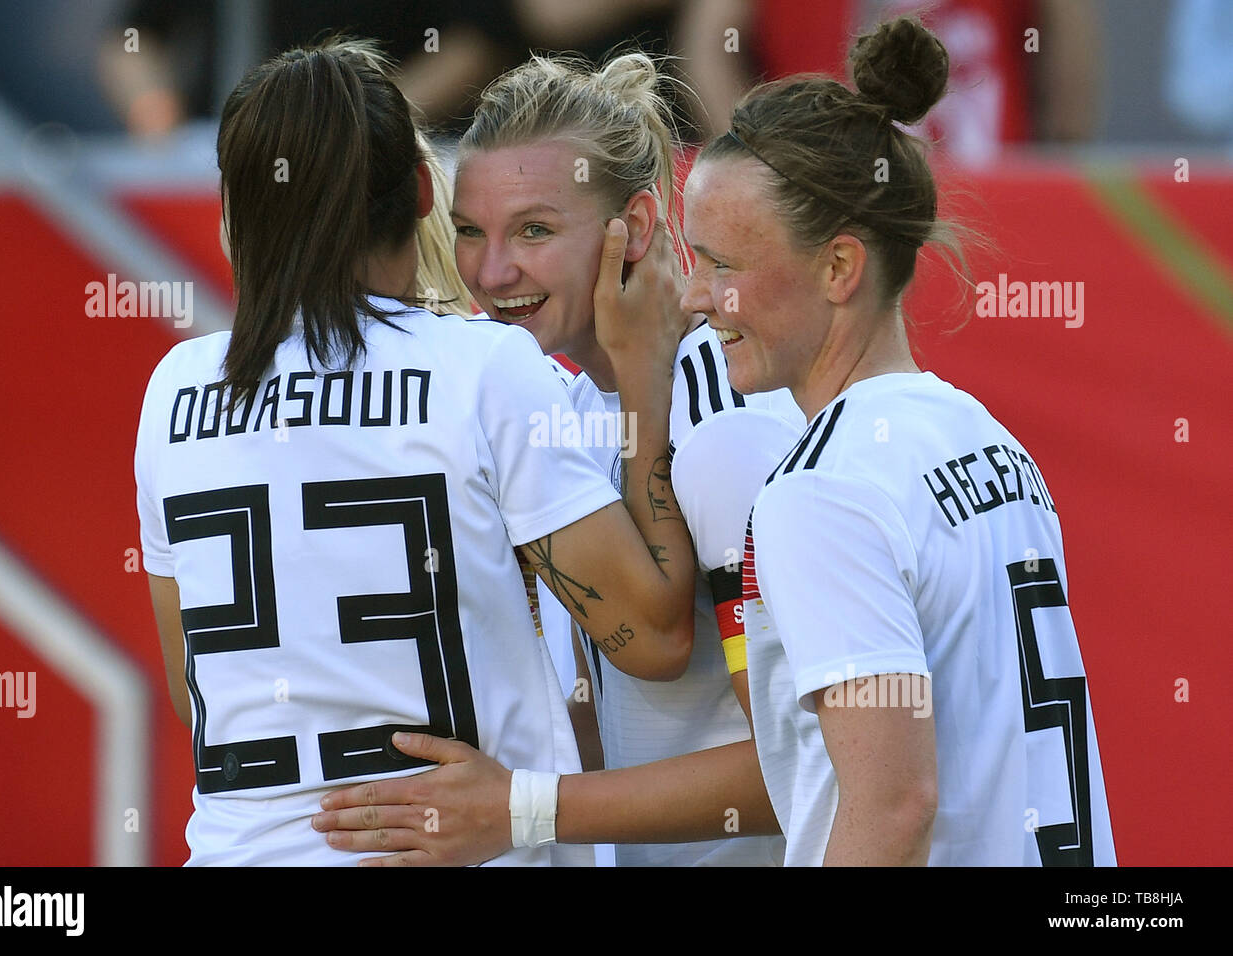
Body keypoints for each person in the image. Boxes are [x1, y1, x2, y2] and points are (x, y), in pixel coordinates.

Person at [135, 38, 697, 866]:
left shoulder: (172, 390)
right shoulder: (486, 367)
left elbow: (201, 694)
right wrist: (648, 386)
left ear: (235, 208)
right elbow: (655, 639)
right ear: (427, 190)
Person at [315, 51, 803, 867]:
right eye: (469, 232)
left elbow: (810, 765)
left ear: (637, 229)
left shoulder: (725, 420)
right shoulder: (563, 408)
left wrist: (521, 810)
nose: (493, 272)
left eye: (535, 231)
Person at [683, 15, 1114, 864]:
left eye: (722, 265)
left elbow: (893, 811)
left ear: (840, 269)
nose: (696, 298)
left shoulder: (822, 489)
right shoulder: (986, 437)